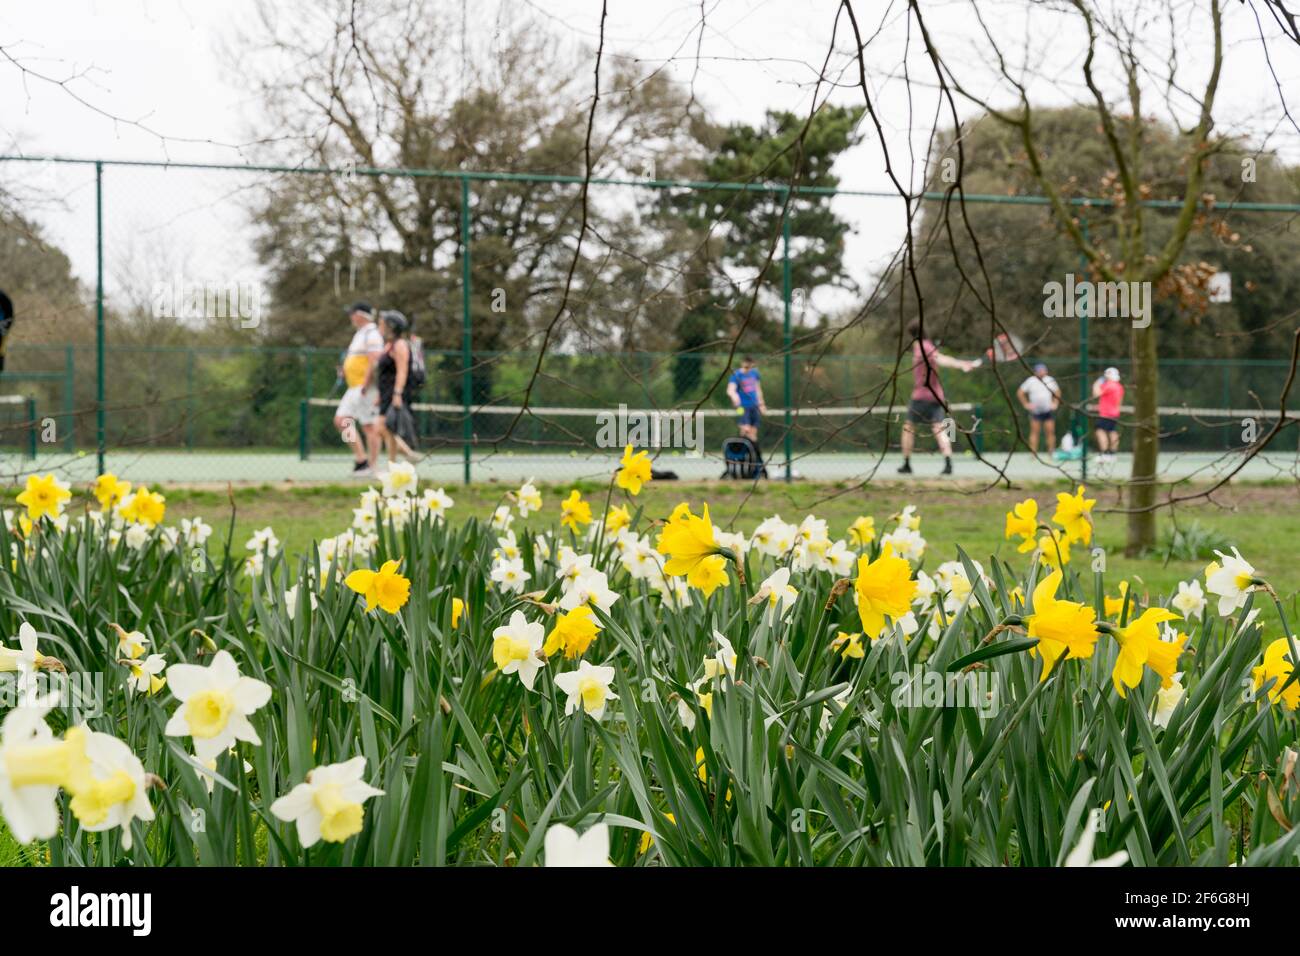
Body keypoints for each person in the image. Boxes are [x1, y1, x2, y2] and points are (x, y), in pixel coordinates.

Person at [899, 319, 976, 475]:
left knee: (908, 428)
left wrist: (961, 364)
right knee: (939, 429)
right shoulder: (923, 347)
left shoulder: (923, 347)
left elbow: (941, 359)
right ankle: (948, 463)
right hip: (936, 397)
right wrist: (961, 364)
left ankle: (907, 464)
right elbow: (940, 358)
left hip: (921, 396)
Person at [334, 301, 384, 476]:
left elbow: (375, 361)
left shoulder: (372, 334)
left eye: (352, 313)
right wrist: (345, 371)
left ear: (360, 315)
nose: (350, 317)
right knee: (341, 420)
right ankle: (361, 461)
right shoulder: (360, 334)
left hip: (366, 389)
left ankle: (372, 466)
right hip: (354, 387)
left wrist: (366, 383)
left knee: (369, 427)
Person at [375, 310, 419, 465]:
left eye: (383, 323)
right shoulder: (388, 345)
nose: (380, 326)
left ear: (391, 327)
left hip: (395, 393)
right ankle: (401, 459)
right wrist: (380, 395)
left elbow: (402, 371)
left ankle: (402, 458)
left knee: (383, 428)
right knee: (386, 429)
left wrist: (397, 393)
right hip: (386, 393)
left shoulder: (400, 345)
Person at [1018, 362, 1061, 453]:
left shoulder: (1050, 380)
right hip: (1036, 411)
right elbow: (1020, 392)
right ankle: (1033, 453)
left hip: (1047, 410)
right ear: (1035, 372)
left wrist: (1055, 403)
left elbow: (1057, 392)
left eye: (1043, 370)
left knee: (1050, 432)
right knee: (1034, 433)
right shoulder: (1031, 381)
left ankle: (1051, 452)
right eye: (1039, 371)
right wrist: (1026, 404)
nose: (1042, 372)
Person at [726, 356, 766, 442]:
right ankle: (743, 448)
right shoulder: (736, 375)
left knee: (754, 429)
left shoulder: (755, 373)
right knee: (745, 428)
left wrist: (761, 404)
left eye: (750, 366)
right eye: (746, 366)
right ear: (742, 364)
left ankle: (753, 450)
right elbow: (730, 390)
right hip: (741, 407)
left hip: (754, 405)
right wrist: (735, 397)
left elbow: (758, 389)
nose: (748, 369)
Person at [1092, 366, 1124, 462]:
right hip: (1114, 413)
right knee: (1112, 431)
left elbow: (1096, 394)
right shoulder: (1119, 386)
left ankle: (1105, 454)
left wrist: (1096, 384)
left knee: (1100, 431)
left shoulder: (1109, 385)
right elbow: (1117, 402)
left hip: (1106, 414)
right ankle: (1112, 454)